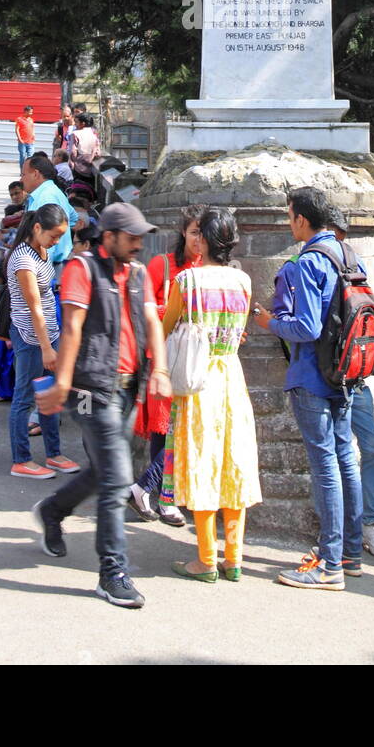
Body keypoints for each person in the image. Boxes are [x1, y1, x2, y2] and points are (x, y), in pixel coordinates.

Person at [33, 204, 170, 609]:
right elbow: (73, 327)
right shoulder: (82, 268)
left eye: (140, 238)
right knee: (116, 480)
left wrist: (159, 368)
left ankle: (53, 511)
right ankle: (113, 573)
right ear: (108, 236)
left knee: (104, 471)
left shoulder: (138, 273)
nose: (138, 245)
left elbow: (151, 321)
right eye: (131, 238)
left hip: (127, 389)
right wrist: (62, 382)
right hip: (93, 390)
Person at [254, 186, 364, 590]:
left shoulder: (308, 262)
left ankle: (330, 564)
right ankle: (350, 554)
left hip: (313, 377)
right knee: (345, 459)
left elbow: (306, 328)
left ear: (302, 219)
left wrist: (269, 323)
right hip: (346, 373)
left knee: (326, 469)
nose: (288, 223)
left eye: (289, 216)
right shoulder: (348, 255)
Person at [160, 207, 261, 581]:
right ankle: (233, 558)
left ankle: (206, 559)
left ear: (202, 239)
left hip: (198, 380)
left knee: (202, 462)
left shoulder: (187, 282)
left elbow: (166, 325)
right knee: (234, 463)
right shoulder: (244, 282)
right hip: (232, 377)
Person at [326, 206, 374, 562]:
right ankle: (339, 530)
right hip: (327, 380)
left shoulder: (355, 267)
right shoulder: (308, 265)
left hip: (356, 377)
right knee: (333, 458)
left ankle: (369, 523)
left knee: (370, 448)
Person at [129, 205, 204, 526]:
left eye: (204, 233)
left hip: (194, 362)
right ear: (183, 234)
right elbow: (141, 311)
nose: (199, 239)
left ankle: (158, 494)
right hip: (162, 358)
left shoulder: (212, 268)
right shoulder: (163, 265)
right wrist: (172, 312)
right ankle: (156, 493)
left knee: (176, 429)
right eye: (194, 232)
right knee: (167, 430)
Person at [7, 203, 79, 480]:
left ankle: (53, 452)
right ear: (37, 228)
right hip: (30, 336)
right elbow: (34, 307)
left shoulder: (42, 250)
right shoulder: (23, 260)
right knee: (24, 397)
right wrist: (47, 347)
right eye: (54, 235)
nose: (57, 241)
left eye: (61, 236)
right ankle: (21, 459)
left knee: (51, 395)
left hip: (49, 332)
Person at [22, 153, 77, 279]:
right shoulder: (55, 191)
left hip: (45, 268)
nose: (21, 179)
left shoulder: (44, 198)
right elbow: (73, 219)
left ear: (35, 174)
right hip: (56, 265)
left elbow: (43, 242)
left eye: (23, 174)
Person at [15, 106, 35, 173]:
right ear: (26, 111)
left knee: (30, 157)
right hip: (22, 142)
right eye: (30, 112)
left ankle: (29, 171)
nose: (31, 113)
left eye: (32, 112)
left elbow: (32, 128)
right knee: (22, 156)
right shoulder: (19, 119)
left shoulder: (31, 120)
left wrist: (33, 135)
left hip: (30, 142)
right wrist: (19, 138)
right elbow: (17, 129)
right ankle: (22, 171)